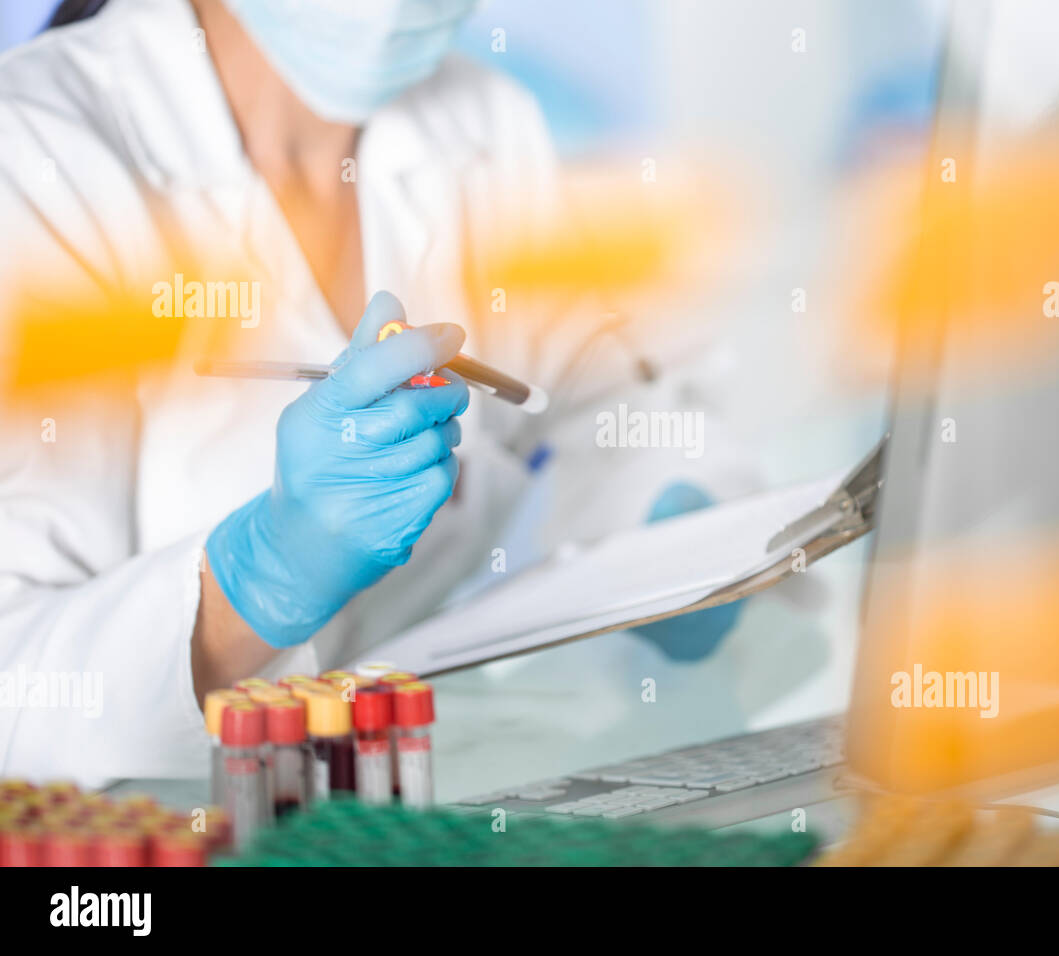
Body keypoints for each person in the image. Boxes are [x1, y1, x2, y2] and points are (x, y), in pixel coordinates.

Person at [0, 0, 749, 781]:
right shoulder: (33, 151)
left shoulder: (485, 123)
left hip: (408, 804)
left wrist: (679, 535)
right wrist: (259, 580)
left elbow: (617, 392)